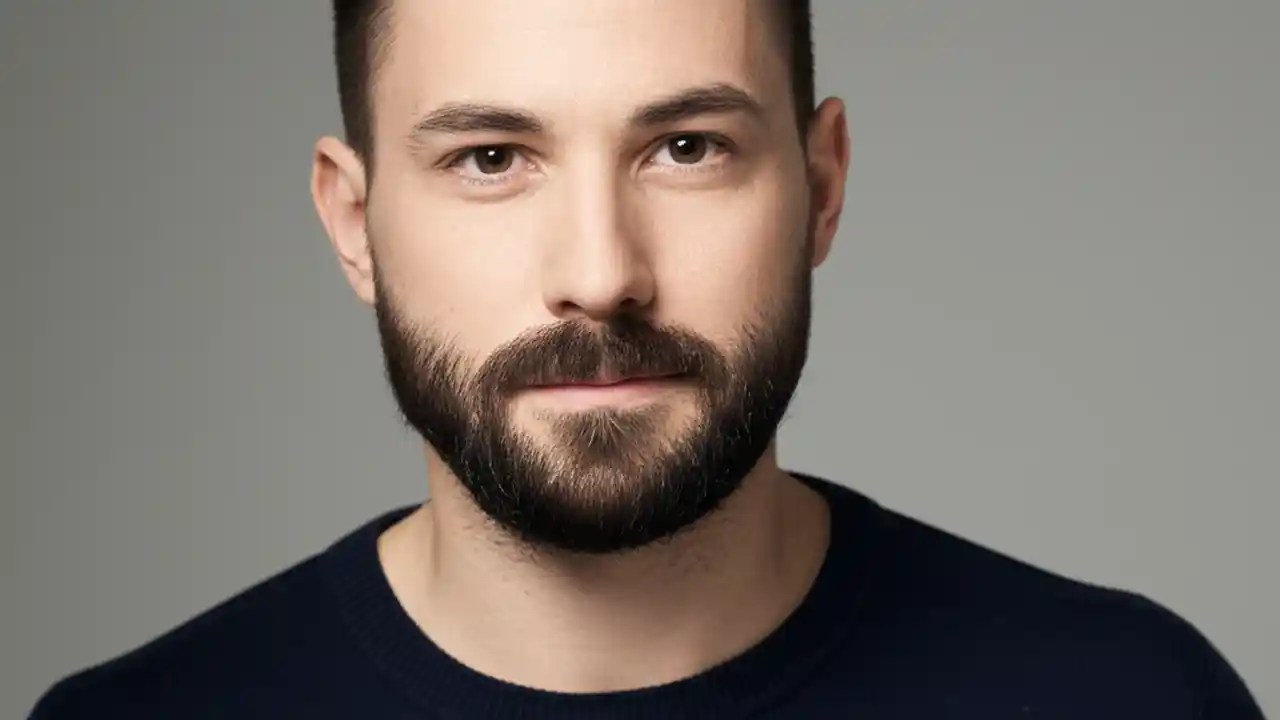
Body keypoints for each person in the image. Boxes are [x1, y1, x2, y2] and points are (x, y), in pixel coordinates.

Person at [30, 1, 1265, 717]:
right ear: (356, 227)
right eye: (491, 159)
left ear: (820, 188)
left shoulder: (1126, 700)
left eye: (683, 147)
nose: (602, 270)